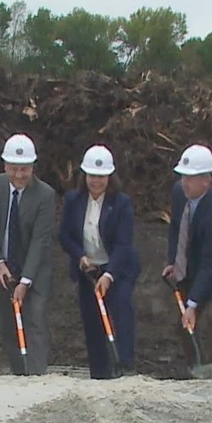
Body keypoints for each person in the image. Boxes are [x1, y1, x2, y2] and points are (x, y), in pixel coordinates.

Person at [0, 133, 57, 375]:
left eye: (24, 169)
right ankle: (18, 374)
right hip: (2, 269)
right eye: (14, 169)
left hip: (34, 270)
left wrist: (25, 280)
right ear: (5, 166)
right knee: (9, 324)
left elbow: (40, 241)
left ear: (32, 167)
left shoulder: (45, 195)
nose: (19, 175)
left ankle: (36, 375)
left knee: (35, 320)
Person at [161, 144, 212, 376]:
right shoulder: (180, 192)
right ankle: (196, 366)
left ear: (206, 181)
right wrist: (174, 261)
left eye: (191, 179)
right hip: (195, 262)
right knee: (184, 321)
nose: (184, 183)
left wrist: (193, 303)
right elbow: (177, 228)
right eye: (183, 177)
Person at [58, 144, 141, 379]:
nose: (96, 181)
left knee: (121, 311)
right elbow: (64, 235)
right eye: (92, 176)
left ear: (110, 177)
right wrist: (80, 256)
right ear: (85, 176)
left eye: (101, 177)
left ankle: (124, 365)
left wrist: (108, 275)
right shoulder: (74, 200)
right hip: (88, 269)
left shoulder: (121, 203)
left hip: (117, 268)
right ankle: (99, 372)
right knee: (92, 319)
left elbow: (123, 244)